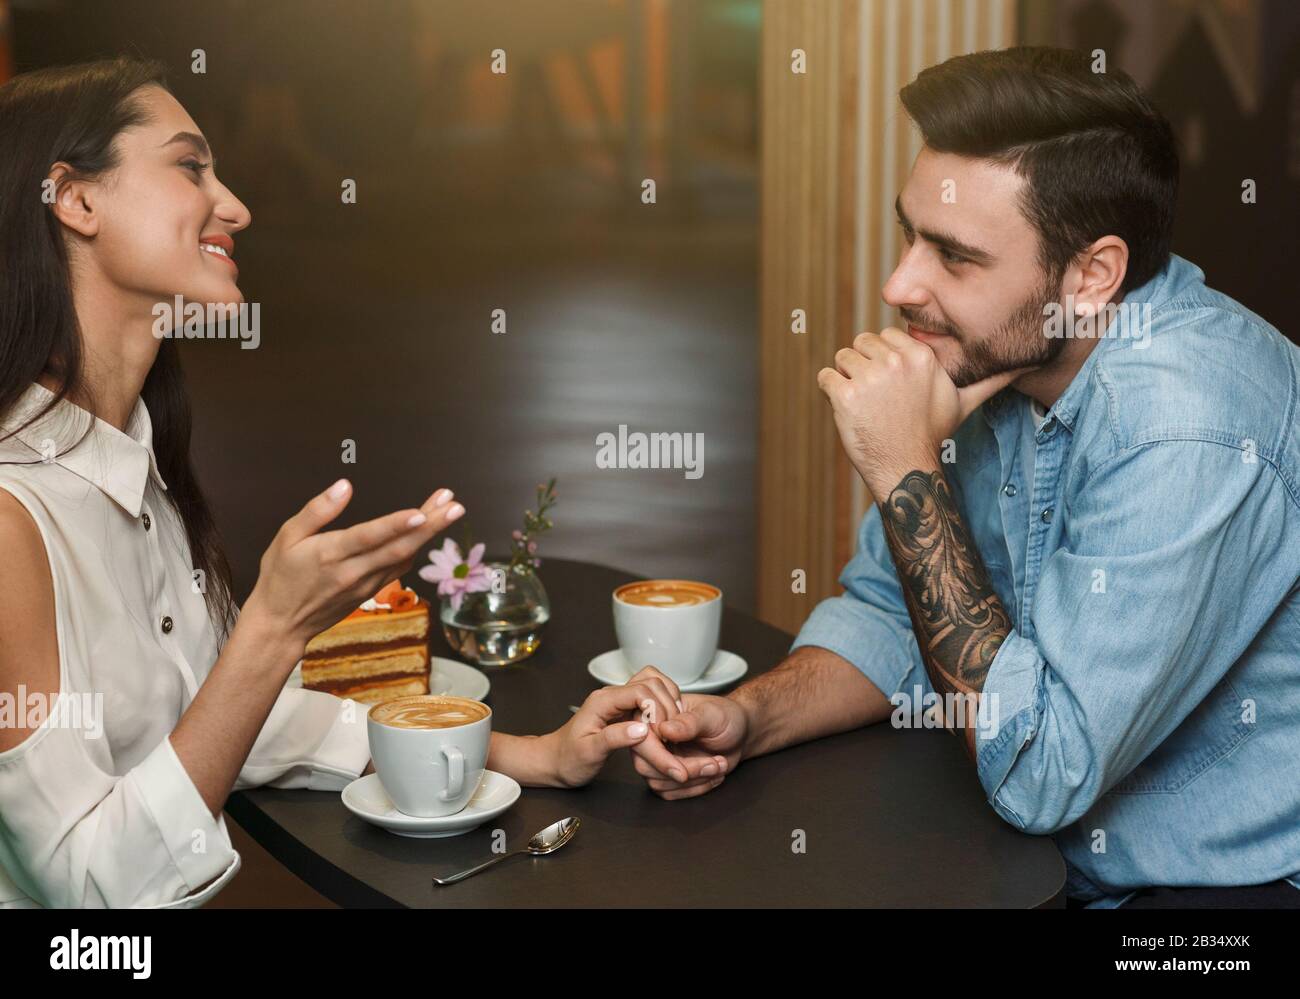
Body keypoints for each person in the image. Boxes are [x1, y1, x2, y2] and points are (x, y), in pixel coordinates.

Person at [0, 58, 688, 909]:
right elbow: (86, 896)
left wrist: (535, 754)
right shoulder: (12, 519)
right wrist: (272, 630)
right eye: (190, 166)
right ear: (74, 199)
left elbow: (239, 727)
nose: (235, 205)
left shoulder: (140, 461)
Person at [629, 47, 1300, 909]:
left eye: (955, 257)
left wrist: (904, 467)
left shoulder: (1188, 428)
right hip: (1038, 856)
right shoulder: (1005, 352)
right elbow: (891, 616)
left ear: (1091, 275)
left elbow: (1041, 772)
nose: (899, 282)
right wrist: (749, 718)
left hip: (1215, 899)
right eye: (910, 233)